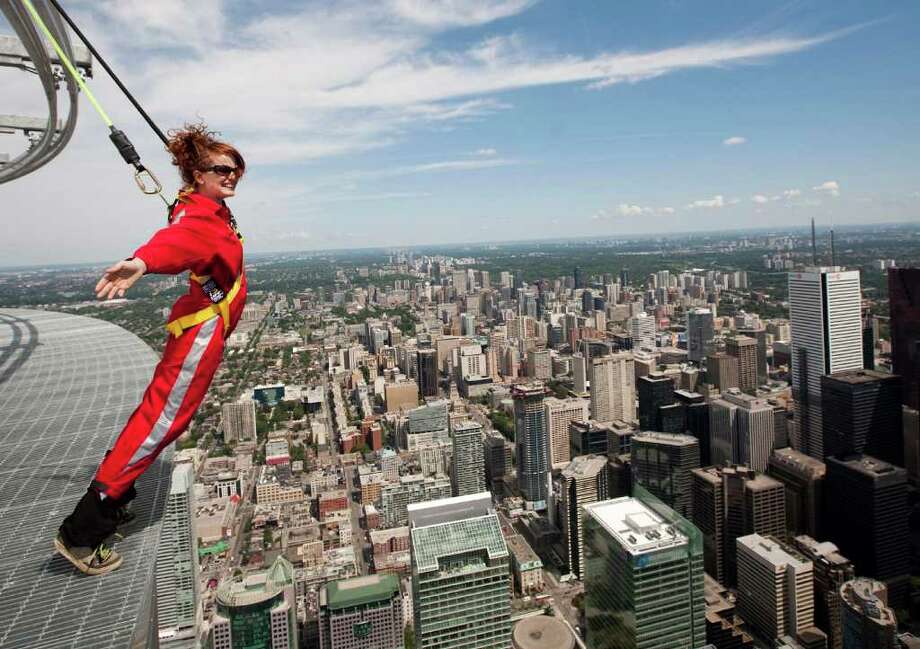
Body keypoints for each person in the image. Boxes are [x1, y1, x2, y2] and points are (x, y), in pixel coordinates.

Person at [55, 124, 247, 575]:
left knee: (158, 418)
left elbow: (186, 231)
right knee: (159, 421)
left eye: (237, 167)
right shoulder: (200, 217)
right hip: (200, 333)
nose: (233, 173)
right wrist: (142, 261)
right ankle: (83, 532)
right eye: (222, 167)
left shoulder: (204, 208)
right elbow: (176, 242)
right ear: (198, 173)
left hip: (203, 328)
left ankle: (115, 495)